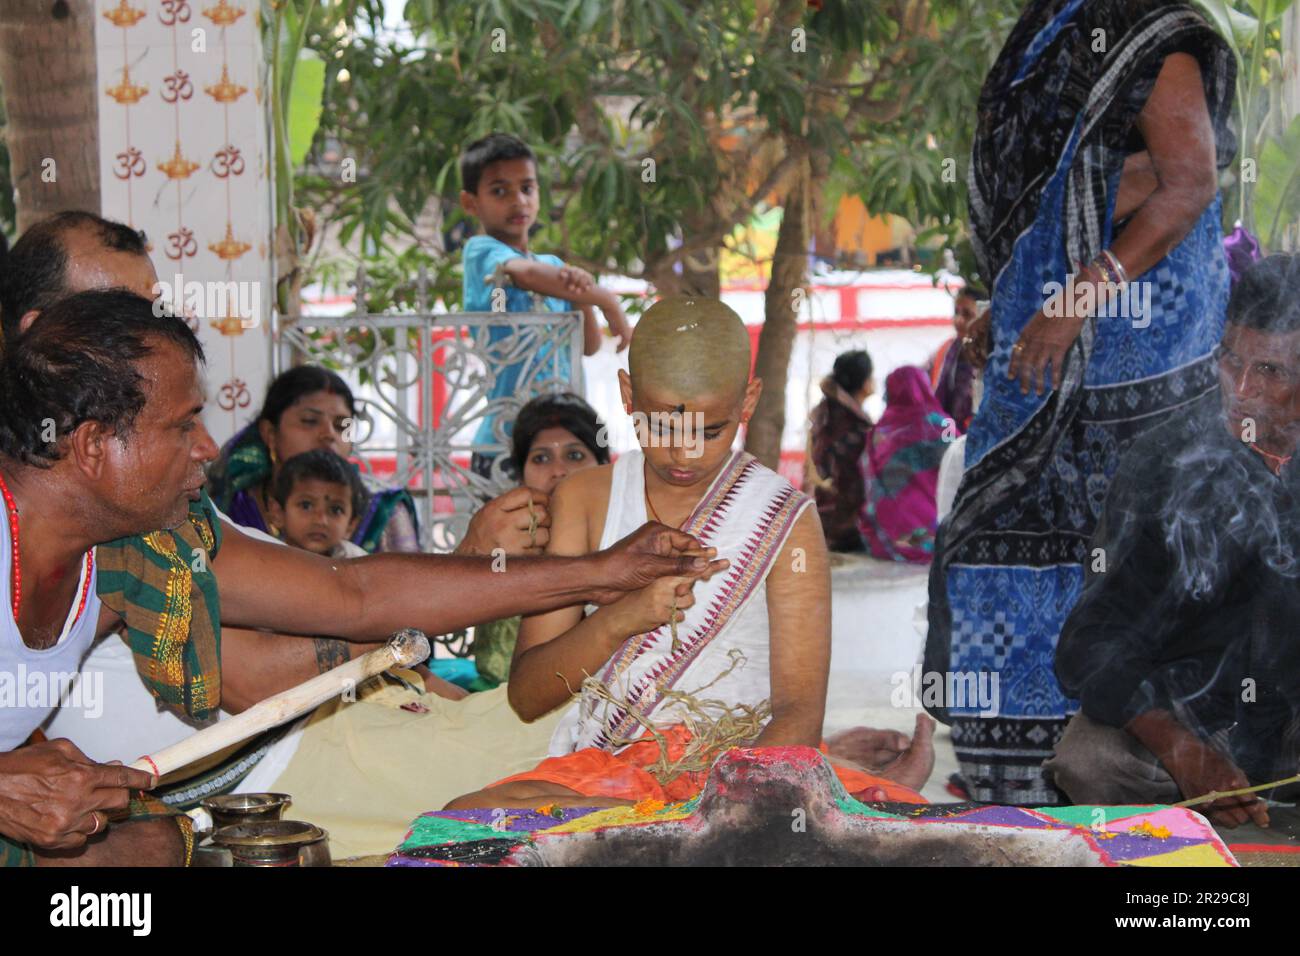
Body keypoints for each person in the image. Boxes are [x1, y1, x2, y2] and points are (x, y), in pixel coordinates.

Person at [0, 290, 724, 865]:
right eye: (182, 426)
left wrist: (601, 572)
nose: (209, 449)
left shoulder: (140, 544)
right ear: (95, 446)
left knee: (155, 848)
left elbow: (357, 595)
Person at [924, 0, 1238, 805]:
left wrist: (1072, 301)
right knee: (1003, 557)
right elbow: (1069, 191)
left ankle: (1119, 812)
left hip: (1138, 365)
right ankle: (1016, 803)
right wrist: (1022, 293)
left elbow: (1190, 182)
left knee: (1118, 573)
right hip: (1058, 354)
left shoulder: (1155, 33)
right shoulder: (1051, 29)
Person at [445, 297, 934, 811]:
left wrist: (704, 815)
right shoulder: (584, 501)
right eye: (661, 427)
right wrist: (620, 619)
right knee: (468, 817)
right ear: (628, 395)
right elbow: (528, 696)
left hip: (741, 777)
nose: (684, 453)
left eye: (709, 430)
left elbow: (798, 715)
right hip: (604, 778)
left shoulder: (787, 521)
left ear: (747, 401)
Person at [1047, 255, 1300, 829]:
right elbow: (1088, 643)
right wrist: (1184, 750)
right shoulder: (1164, 461)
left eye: (1270, 371)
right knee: (1087, 759)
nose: (1240, 389)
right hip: (1191, 716)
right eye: (1231, 361)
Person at [458, 132, 632, 481]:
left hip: (560, 438)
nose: (518, 200)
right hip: (503, 440)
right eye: (499, 191)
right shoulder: (481, 251)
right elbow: (522, 273)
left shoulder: (550, 265)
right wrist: (608, 302)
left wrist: (579, 296)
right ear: (471, 203)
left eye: (527, 188)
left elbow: (588, 345)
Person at [471, 393, 610, 687]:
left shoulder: (624, 536)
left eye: (574, 455)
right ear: (521, 476)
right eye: (541, 458)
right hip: (499, 698)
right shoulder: (500, 541)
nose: (558, 470)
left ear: (603, 466)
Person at [206, 366, 421, 554]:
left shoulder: (382, 510)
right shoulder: (232, 504)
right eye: (309, 421)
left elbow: (410, 595)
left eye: (341, 426)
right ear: (270, 433)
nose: (329, 434)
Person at [858, 366, 951, 564]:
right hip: (936, 529)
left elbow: (868, 478)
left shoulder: (879, 430)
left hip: (886, 537)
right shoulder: (944, 424)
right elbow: (960, 463)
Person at [805, 349, 874, 552]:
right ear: (865, 383)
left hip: (825, 521)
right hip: (847, 528)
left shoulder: (828, 413)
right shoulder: (852, 425)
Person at [267, 449, 369, 558]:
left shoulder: (358, 565)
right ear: (277, 513)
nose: (320, 520)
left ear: (351, 525)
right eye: (306, 506)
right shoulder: (263, 560)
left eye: (336, 510)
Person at [929, 284, 985, 432]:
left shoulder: (992, 354)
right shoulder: (947, 351)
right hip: (949, 433)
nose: (958, 320)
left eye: (967, 314)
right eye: (956, 312)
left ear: (983, 316)